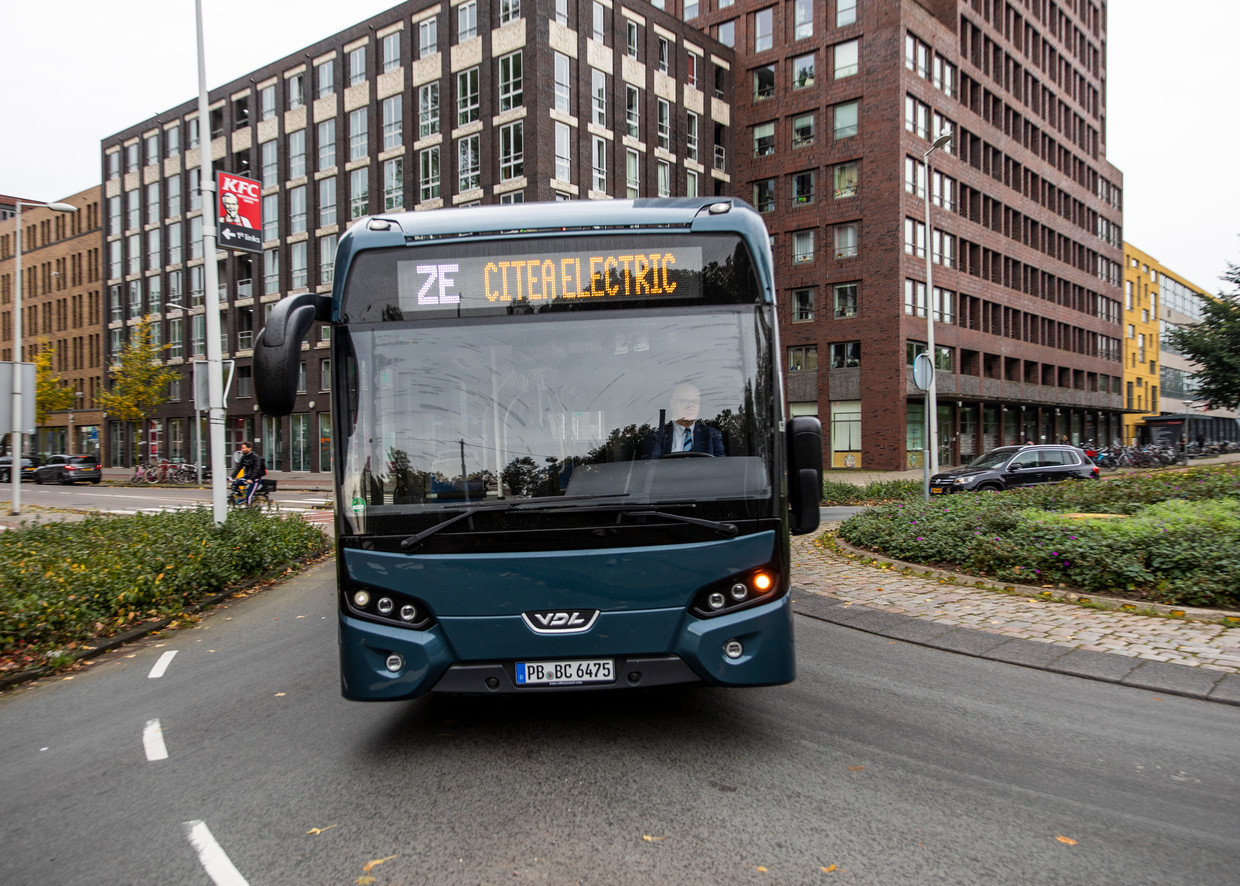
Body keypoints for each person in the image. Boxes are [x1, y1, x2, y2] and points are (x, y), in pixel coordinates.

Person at [642, 381, 725, 458]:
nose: (690, 406)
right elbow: (650, 468)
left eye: (695, 401)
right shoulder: (656, 437)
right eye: (684, 401)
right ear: (672, 404)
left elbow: (721, 467)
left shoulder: (712, 435)